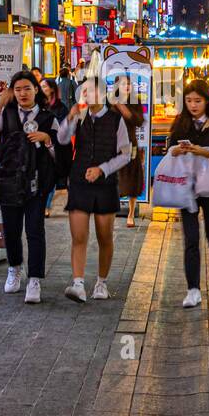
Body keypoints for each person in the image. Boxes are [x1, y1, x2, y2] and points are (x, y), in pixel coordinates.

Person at [0, 71, 59, 304]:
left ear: (36, 89)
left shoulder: (48, 117)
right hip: (8, 181)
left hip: (37, 183)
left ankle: (34, 279)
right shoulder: (6, 113)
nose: (22, 93)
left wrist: (46, 138)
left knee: (35, 231)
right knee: (11, 229)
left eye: (27, 88)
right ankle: (14, 269)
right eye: (17, 89)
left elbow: (60, 152)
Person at [58, 78, 133, 303]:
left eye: (92, 91)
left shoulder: (115, 119)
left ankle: (101, 282)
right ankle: (78, 283)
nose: (87, 95)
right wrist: (70, 117)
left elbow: (125, 154)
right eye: (84, 91)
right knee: (78, 236)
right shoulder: (79, 116)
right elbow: (62, 139)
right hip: (79, 180)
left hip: (105, 184)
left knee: (104, 236)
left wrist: (102, 169)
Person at [168, 80, 209, 308]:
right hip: (188, 186)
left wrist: (203, 152)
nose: (193, 105)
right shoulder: (181, 123)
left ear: (207, 100)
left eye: (197, 100)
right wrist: (176, 150)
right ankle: (193, 289)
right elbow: (169, 147)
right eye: (189, 101)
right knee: (191, 238)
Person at [109, 74, 146, 228]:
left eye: (129, 83)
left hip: (131, 144)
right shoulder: (109, 101)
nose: (127, 86)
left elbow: (139, 121)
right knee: (112, 179)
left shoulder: (134, 101)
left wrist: (124, 109)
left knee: (133, 177)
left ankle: (131, 214)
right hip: (113, 145)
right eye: (123, 83)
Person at [40, 76, 72, 215]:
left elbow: (64, 129)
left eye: (44, 87)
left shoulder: (61, 107)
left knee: (51, 176)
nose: (42, 89)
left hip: (58, 147)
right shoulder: (38, 105)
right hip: (41, 146)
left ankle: (46, 207)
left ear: (52, 89)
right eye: (40, 87)